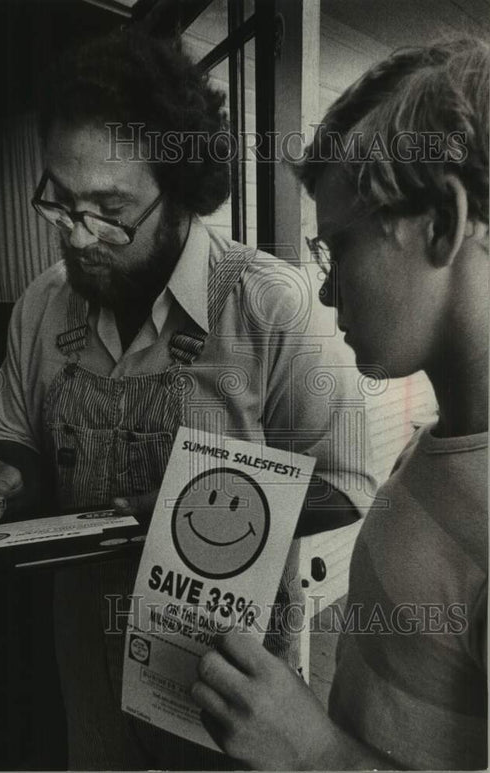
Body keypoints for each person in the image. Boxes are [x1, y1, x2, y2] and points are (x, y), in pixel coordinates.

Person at [0, 30, 375, 769]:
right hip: (88, 673)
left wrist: (182, 505)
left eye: (110, 211)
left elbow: (344, 482)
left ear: (178, 191)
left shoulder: (269, 306)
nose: (78, 238)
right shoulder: (41, 308)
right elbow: (16, 439)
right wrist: (1, 481)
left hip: (223, 685)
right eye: (61, 202)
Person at [192, 37, 488, 770]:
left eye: (340, 247)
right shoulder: (439, 438)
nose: (325, 290)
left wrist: (313, 751)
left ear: (443, 224)